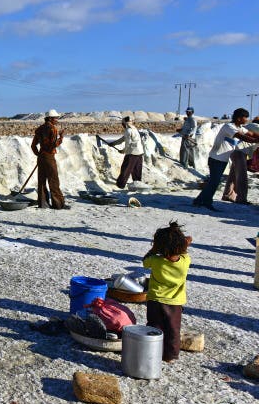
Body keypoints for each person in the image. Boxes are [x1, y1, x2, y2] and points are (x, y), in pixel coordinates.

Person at [142, 221, 192, 362]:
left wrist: (154, 249)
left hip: (155, 300)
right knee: (173, 330)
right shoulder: (185, 260)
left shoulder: (156, 260)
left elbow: (145, 261)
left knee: (154, 326)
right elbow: (182, 252)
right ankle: (170, 355)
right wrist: (184, 244)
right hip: (175, 302)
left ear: (159, 247)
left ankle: (151, 352)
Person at [192, 108, 259, 211]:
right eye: (245, 117)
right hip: (216, 159)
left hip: (222, 159)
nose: (247, 119)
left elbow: (250, 134)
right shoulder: (229, 127)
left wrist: (257, 137)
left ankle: (198, 201)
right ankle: (206, 202)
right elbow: (243, 137)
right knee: (214, 182)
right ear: (239, 118)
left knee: (213, 182)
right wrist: (255, 140)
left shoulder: (239, 127)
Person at [30, 109, 67, 209]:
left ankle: (43, 204)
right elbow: (53, 145)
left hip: (41, 157)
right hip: (49, 157)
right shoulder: (53, 129)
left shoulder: (39, 129)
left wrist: (39, 154)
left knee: (41, 181)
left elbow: (33, 145)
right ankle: (58, 205)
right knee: (54, 181)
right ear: (50, 118)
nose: (57, 120)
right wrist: (61, 137)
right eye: (55, 118)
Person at [109, 116, 144, 189]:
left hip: (132, 153)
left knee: (126, 169)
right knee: (136, 169)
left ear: (125, 123)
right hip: (139, 152)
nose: (122, 125)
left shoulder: (128, 131)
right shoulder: (134, 129)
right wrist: (114, 143)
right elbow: (123, 138)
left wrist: (123, 151)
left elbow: (128, 143)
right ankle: (137, 183)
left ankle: (120, 185)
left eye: (122, 124)